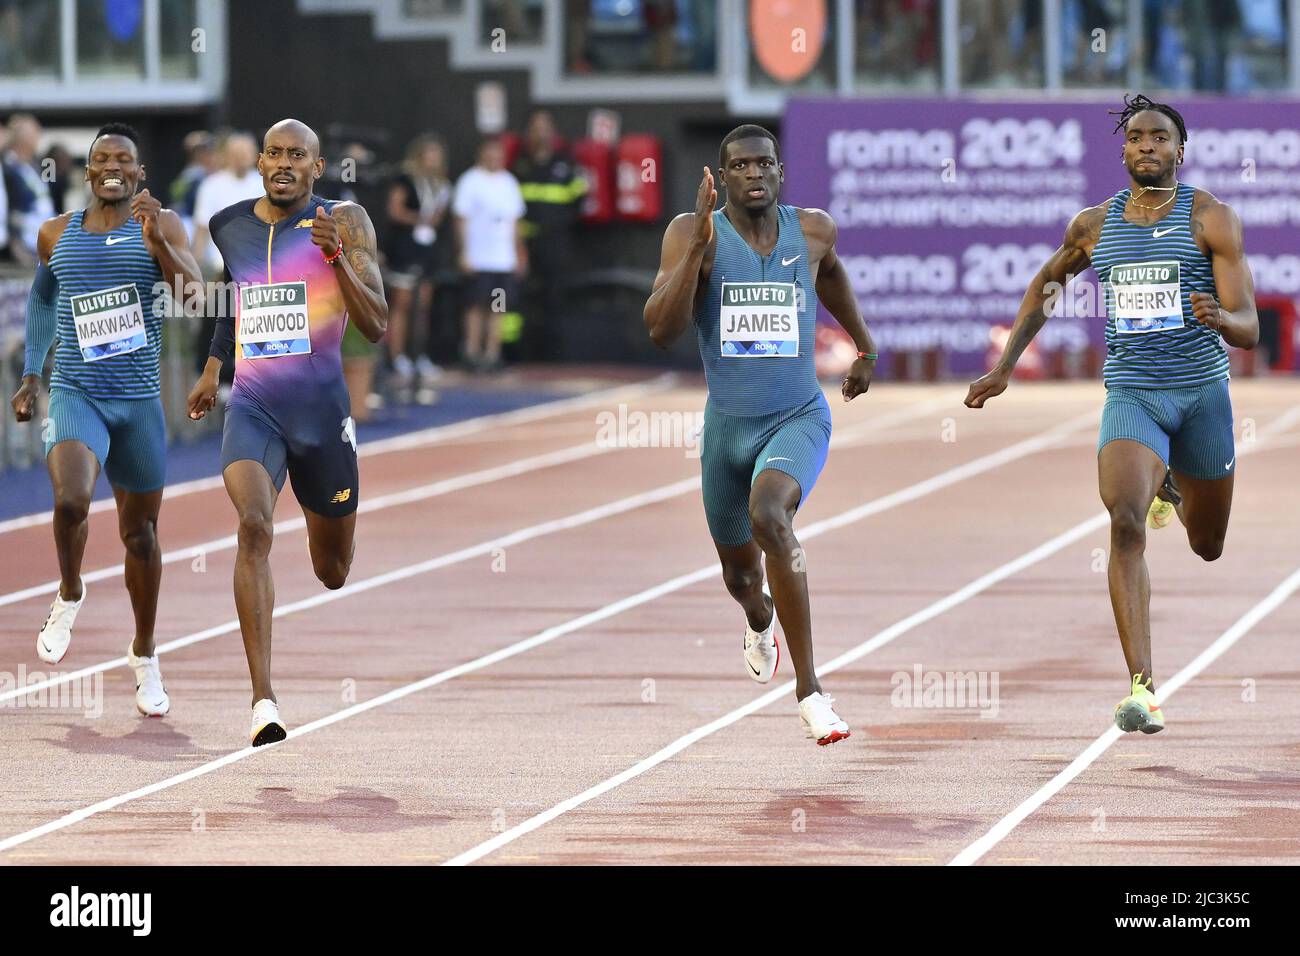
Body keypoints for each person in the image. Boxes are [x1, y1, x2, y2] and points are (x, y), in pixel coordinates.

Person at [965, 94, 1259, 734]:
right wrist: (1006, 365)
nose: (1147, 146)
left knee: (1207, 545)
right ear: (1122, 150)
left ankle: (1175, 485)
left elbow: (1251, 326)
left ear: (1181, 151)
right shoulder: (1093, 226)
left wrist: (1222, 318)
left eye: (1160, 138)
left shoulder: (1212, 219)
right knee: (1125, 518)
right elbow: (1047, 285)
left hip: (1202, 394)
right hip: (1133, 394)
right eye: (1136, 138)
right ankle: (1143, 687)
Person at [643, 124, 878, 744]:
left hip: (798, 413)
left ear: (781, 173)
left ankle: (811, 692)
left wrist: (864, 344)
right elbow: (660, 329)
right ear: (722, 178)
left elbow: (830, 276)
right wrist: (695, 247)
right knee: (741, 577)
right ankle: (758, 617)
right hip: (728, 429)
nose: (755, 173)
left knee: (771, 514)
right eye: (741, 165)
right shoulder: (692, 234)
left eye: (765, 164)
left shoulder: (815, 230)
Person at [186, 119, 388, 746]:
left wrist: (334, 257)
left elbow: (376, 322)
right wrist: (215, 367)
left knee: (333, 570)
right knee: (253, 524)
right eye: (272, 152)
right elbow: (234, 297)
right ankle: (263, 700)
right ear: (261, 162)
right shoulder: (228, 224)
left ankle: (322, 527)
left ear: (316, 166)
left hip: (322, 414)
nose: (282, 163)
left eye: (295, 155)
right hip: (253, 406)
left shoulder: (344, 221)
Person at [10, 122, 202, 716]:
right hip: (76, 392)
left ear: (140, 173)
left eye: (125, 159)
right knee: (71, 500)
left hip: (139, 404)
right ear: (88, 172)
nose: (113, 166)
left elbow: (195, 297)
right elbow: (43, 302)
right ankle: (69, 589)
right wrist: (32, 373)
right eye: (102, 159)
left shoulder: (163, 224)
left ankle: (144, 652)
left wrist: (159, 244)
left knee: (139, 534)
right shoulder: (55, 234)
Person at [512, 111, 584, 361]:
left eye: (545, 128)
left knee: (553, 297)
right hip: (524, 245)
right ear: (528, 133)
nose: (540, 133)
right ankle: (516, 352)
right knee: (518, 297)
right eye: (535, 128)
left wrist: (560, 226)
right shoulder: (519, 166)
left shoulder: (566, 165)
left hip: (556, 243)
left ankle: (554, 354)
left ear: (552, 133)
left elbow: (579, 201)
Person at [384, 133, 451, 398]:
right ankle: (397, 356)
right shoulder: (405, 179)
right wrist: (419, 218)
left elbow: (439, 216)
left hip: (427, 249)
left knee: (423, 305)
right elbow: (395, 210)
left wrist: (429, 220)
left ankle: (418, 355)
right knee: (401, 304)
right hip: (404, 247)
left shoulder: (441, 184)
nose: (432, 160)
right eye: (428, 154)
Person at [452, 134, 526, 372]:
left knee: (498, 307)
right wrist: (463, 252)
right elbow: (460, 220)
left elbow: (515, 222)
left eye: (499, 152)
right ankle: (471, 352)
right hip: (478, 257)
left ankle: (492, 354)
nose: (494, 156)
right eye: (490, 151)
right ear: (482, 153)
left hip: (502, 259)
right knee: (475, 305)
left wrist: (519, 252)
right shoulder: (470, 181)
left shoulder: (509, 182)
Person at [3, 113, 56, 266]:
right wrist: (16, 246)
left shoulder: (37, 166)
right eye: (34, 134)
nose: (37, 139)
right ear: (22, 138)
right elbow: (7, 211)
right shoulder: (7, 169)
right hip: (25, 247)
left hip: (46, 244)